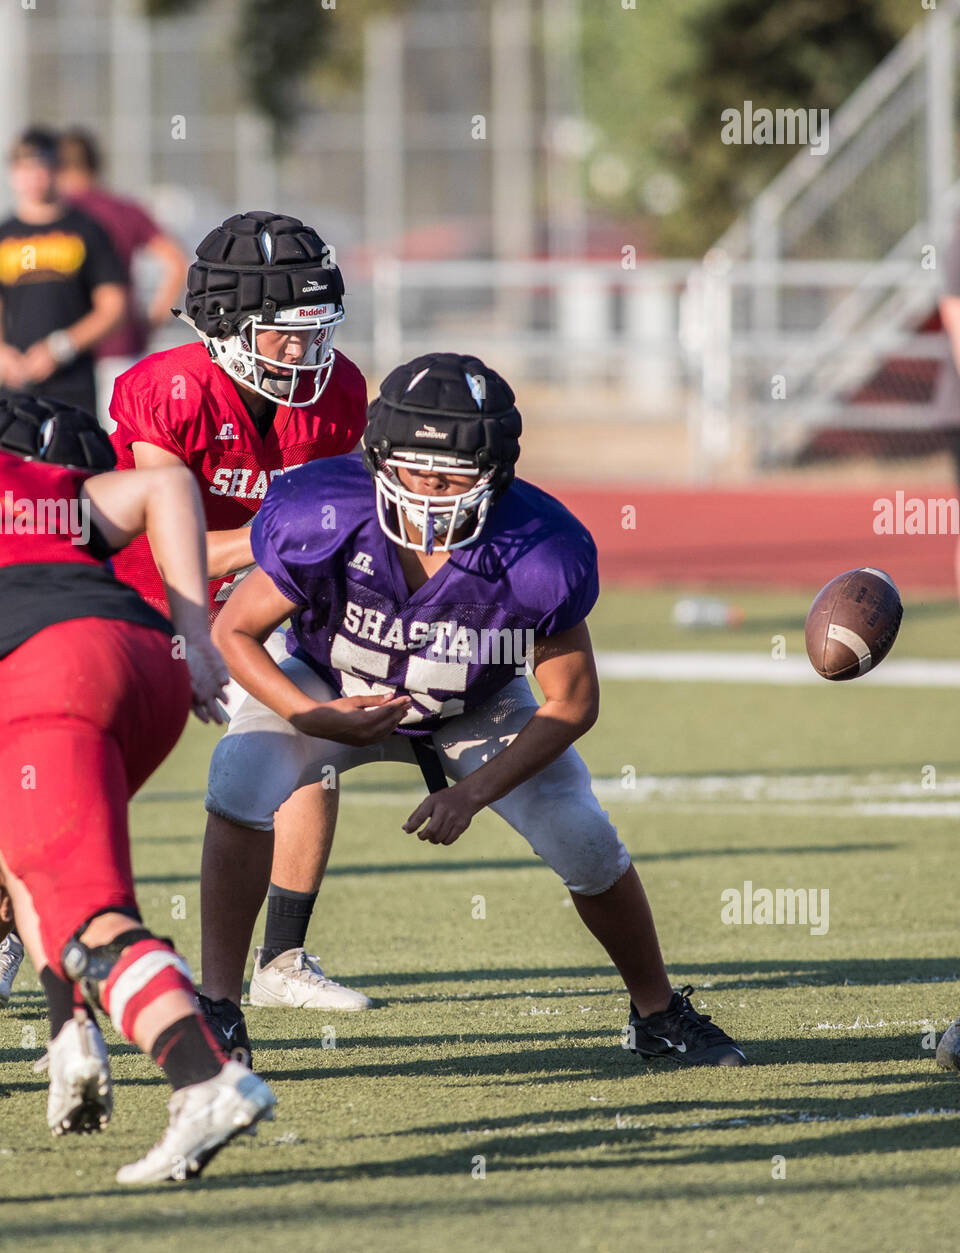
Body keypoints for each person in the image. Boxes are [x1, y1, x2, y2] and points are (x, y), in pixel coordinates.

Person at [201, 352, 747, 1069]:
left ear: (496, 472)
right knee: (238, 777)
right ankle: (219, 1012)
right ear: (377, 457)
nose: (428, 490)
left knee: (582, 835)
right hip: (332, 683)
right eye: (413, 468)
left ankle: (658, 1012)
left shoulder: (541, 550)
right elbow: (232, 631)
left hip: (475, 705)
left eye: (451, 474)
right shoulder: (320, 510)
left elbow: (573, 700)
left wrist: (472, 793)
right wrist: (309, 715)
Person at [107, 210, 371, 1057]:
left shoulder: (340, 389)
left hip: (270, 601)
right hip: (154, 603)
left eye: (318, 331)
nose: (309, 354)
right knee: (87, 770)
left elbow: (327, 528)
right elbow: (168, 536)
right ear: (223, 328)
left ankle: (281, 958)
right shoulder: (168, 388)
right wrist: (294, 534)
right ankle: (13, 922)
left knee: (311, 739)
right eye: (285, 335)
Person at [0, 390, 276, 1182]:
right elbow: (163, 485)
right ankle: (72, 1036)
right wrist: (196, 635)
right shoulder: (39, 489)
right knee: (40, 866)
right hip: (147, 660)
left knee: (91, 917)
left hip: (50, 672)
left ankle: (205, 1078)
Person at [56, 127, 189, 411]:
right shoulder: (123, 210)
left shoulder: (59, 216)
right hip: (122, 347)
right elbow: (177, 262)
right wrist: (152, 320)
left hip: (62, 354)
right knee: (119, 447)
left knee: (63, 448)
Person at [0, 128, 126, 416]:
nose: (33, 176)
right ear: (12, 173)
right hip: (14, 386)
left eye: (40, 166)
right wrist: (3, 355)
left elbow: (114, 308)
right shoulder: (4, 234)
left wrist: (60, 348)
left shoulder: (86, 230)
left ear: (56, 169)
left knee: (71, 460)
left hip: (72, 386)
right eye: (23, 168)